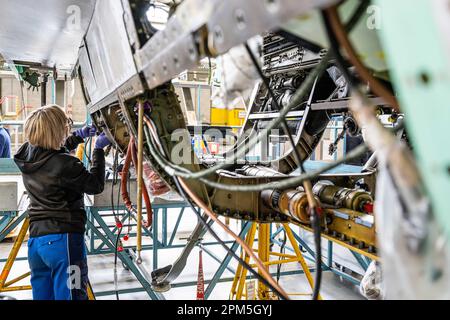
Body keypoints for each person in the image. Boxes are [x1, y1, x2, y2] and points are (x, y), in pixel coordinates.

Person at [14, 104, 111, 300]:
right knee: (72, 296)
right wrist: (99, 150)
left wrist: (78, 137)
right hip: (63, 243)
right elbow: (95, 185)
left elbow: (50, 155)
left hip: (36, 245)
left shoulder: (26, 156)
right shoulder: (67, 164)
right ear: (57, 130)